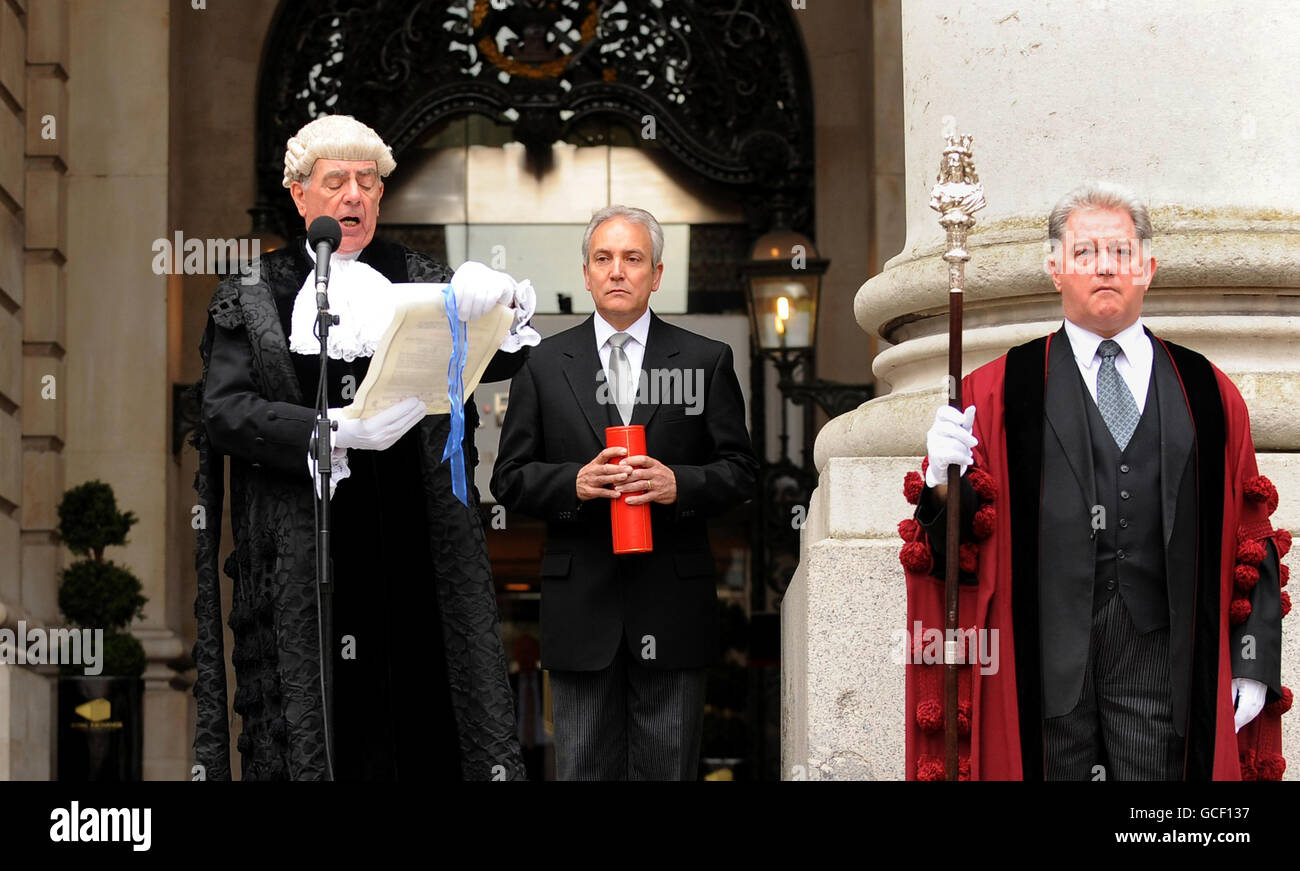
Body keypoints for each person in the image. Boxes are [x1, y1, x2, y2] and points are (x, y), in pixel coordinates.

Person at [899, 181, 1291, 781]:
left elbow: (1249, 536)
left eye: (1121, 251)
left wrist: (1252, 662)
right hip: (1040, 661)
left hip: (1163, 662)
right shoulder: (997, 391)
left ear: (1148, 268)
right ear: (1055, 269)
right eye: (1084, 253)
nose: (1104, 266)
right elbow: (958, 545)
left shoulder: (1209, 392)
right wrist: (940, 483)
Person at [192, 115, 539, 781]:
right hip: (305, 542)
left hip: (411, 537)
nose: (353, 195)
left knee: (422, 713)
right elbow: (224, 411)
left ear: (380, 194)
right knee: (320, 724)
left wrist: (505, 305)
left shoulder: (419, 273)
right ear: (301, 196)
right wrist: (328, 430)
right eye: (336, 182)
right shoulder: (255, 292)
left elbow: (500, 360)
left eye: (366, 181)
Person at [491, 205, 758, 780]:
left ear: (656, 274)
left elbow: (741, 472)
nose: (617, 271)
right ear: (585, 274)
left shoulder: (706, 360)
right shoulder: (540, 365)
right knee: (583, 770)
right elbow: (508, 478)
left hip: (674, 607)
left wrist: (677, 484)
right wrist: (575, 482)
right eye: (603, 259)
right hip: (580, 612)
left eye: (632, 258)